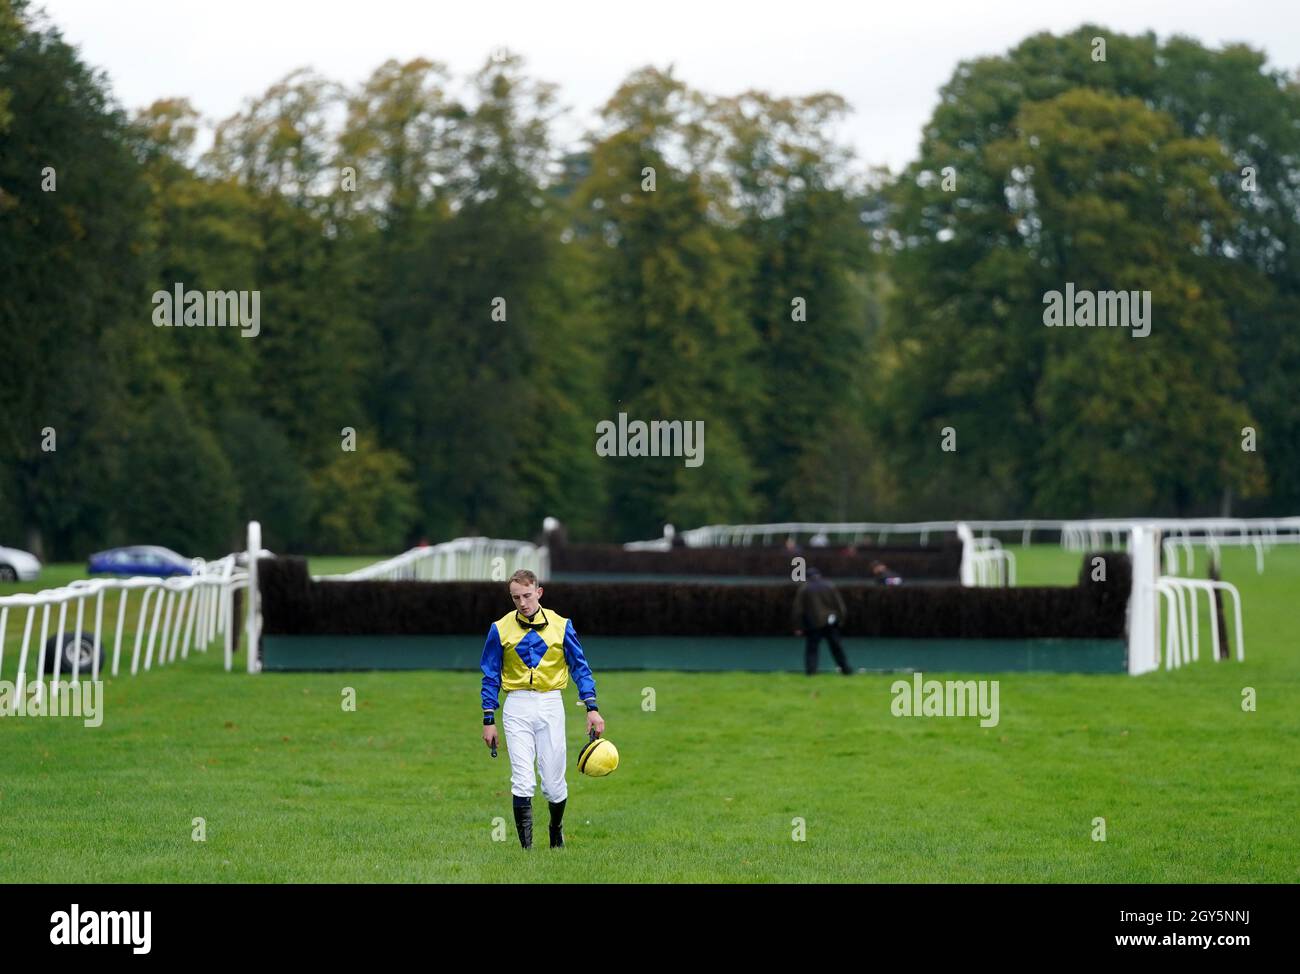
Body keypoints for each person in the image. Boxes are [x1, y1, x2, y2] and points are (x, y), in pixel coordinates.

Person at [480, 569, 604, 850]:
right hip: (516, 705)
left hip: (550, 704)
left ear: (539, 592)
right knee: (522, 781)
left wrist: (592, 708)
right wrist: (489, 718)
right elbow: (490, 675)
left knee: (552, 783)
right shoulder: (499, 628)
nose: (522, 603)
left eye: (526, 595)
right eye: (515, 598)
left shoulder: (562, 625)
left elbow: (580, 668)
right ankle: (526, 852)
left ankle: (555, 829)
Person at [792, 567, 852, 675]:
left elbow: (798, 609)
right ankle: (846, 670)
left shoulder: (804, 588)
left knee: (812, 649)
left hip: (813, 623)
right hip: (831, 622)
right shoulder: (830, 585)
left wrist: (798, 626)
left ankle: (811, 672)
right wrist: (841, 621)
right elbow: (840, 606)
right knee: (837, 648)